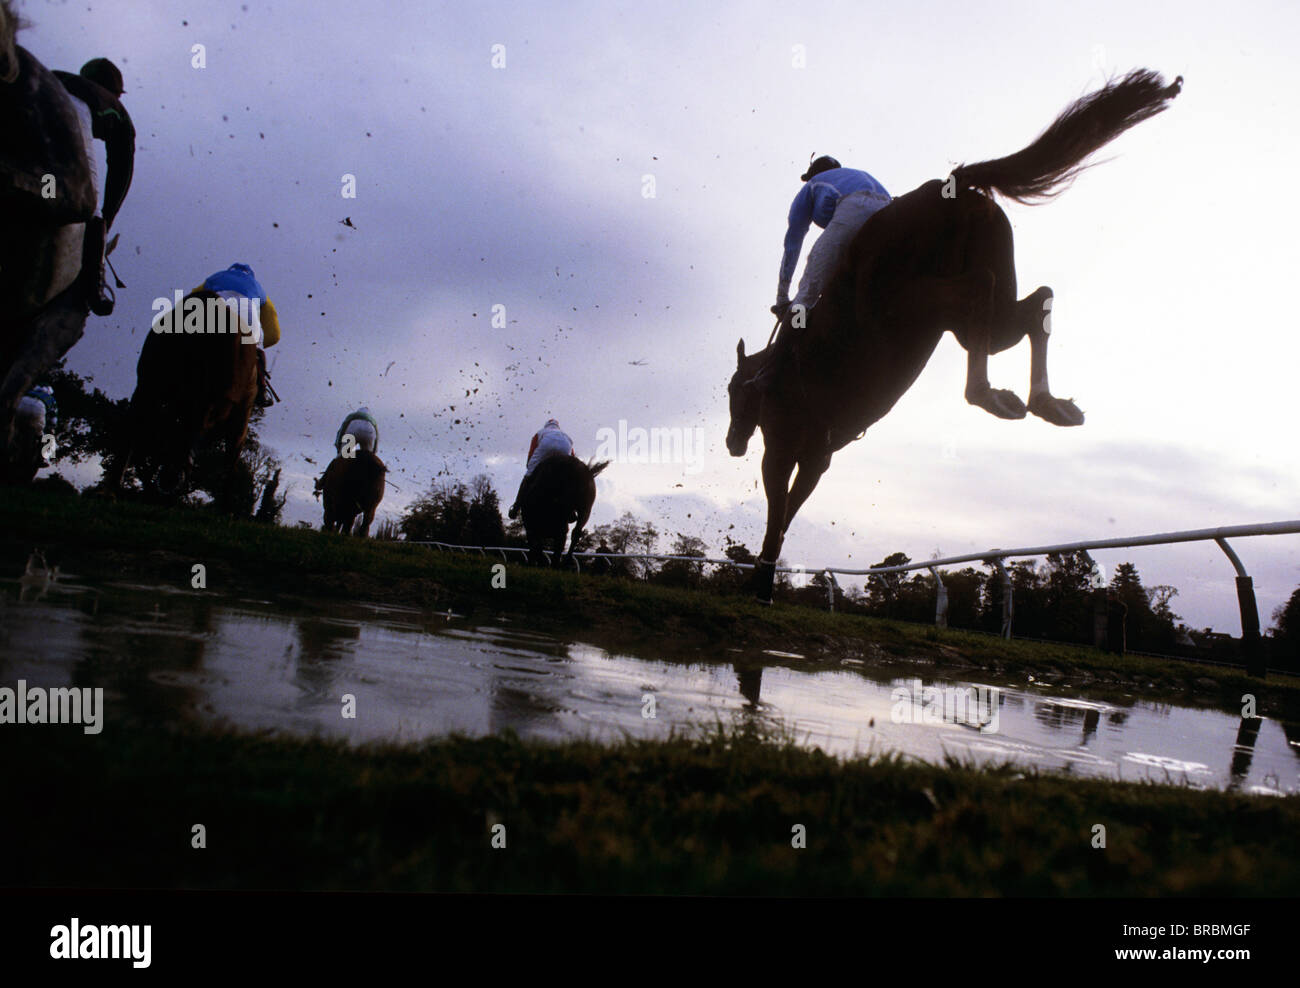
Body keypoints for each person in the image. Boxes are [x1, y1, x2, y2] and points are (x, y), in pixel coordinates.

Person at [755, 154, 891, 392]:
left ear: (812, 175)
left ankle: (772, 369)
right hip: (888, 209)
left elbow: (793, 243)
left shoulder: (811, 186)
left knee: (805, 297)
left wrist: (782, 297)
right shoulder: (857, 174)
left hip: (852, 211)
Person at [53, 57, 135, 317]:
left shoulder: (60, 77)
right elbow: (121, 172)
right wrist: (105, 221)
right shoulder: (113, 107)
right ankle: (92, 288)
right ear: (114, 91)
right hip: (68, 119)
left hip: (25, 105)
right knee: (91, 206)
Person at [194, 263, 281, 407]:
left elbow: (190, 298)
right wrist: (262, 344)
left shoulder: (216, 277)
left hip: (215, 313)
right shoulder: (259, 289)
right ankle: (261, 389)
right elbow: (274, 334)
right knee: (256, 352)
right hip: (247, 318)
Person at [507, 418, 575, 519]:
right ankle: (571, 510)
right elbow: (573, 456)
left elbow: (532, 451)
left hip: (546, 447)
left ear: (546, 425)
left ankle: (516, 507)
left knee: (527, 477)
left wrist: (529, 466)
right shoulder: (565, 435)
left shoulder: (540, 433)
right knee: (569, 480)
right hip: (565, 448)